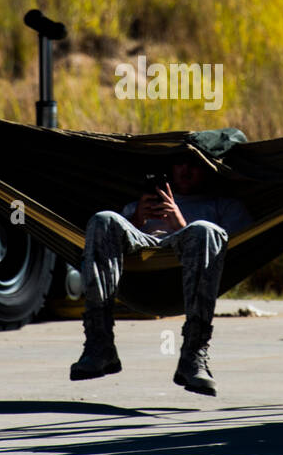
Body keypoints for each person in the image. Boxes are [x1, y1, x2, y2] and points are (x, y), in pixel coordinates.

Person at [70, 155, 252, 395]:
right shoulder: (136, 207)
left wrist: (180, 223)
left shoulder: (224, 206)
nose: (185, 171)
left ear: (208, 170)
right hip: (140, 268)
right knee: (104, 219)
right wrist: (136, 219)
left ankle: (193, 355)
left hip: (185, 266)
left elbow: (237, 249)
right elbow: (113, 242)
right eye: (180, 164)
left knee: (204, 229)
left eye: (194, 165)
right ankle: (99, 344)